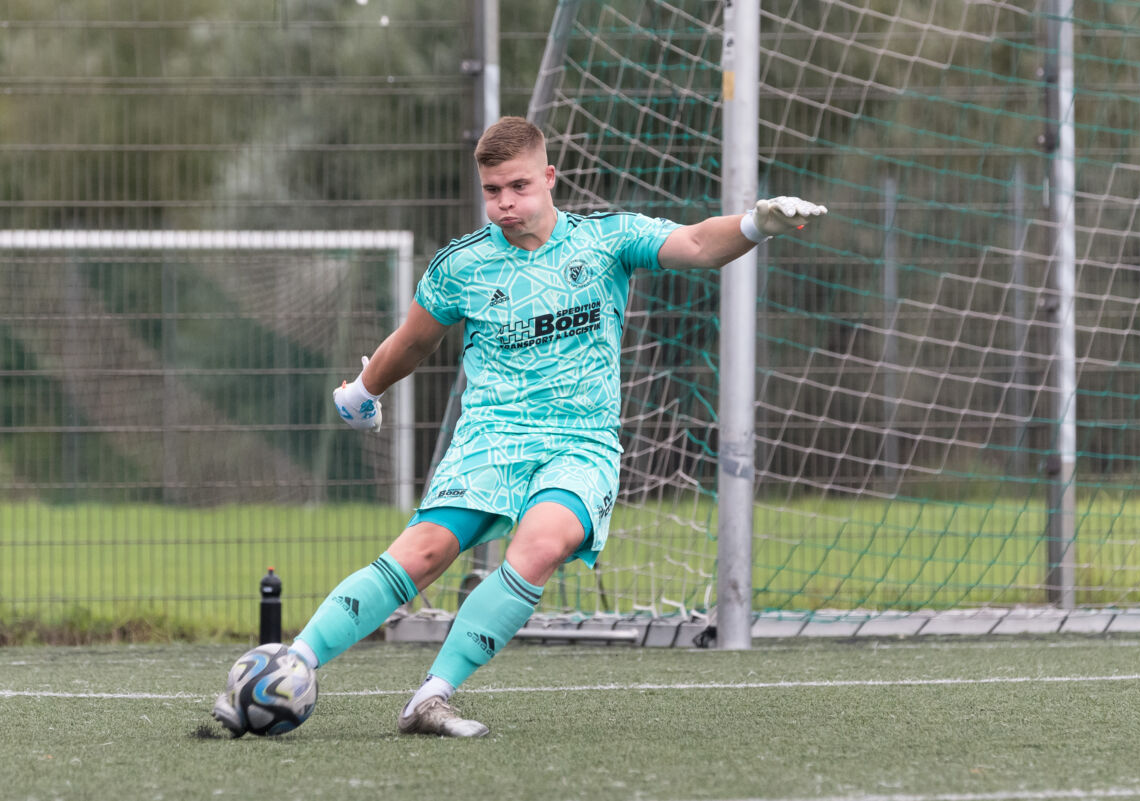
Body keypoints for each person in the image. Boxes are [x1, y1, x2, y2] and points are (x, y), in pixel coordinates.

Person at [212, 115, 826, 738]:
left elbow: (696, 244)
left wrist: (755, 225)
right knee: (424, 553)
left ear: (550, 178)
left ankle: (431, 696)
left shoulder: (606, 240)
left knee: (539, 545)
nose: (505, 203)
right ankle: (292, 663)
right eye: (492, 190)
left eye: (518, 187)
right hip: (490, 438)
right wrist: (363, 391)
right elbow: (413, 342)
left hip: (579, 444)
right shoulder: (462, 266)